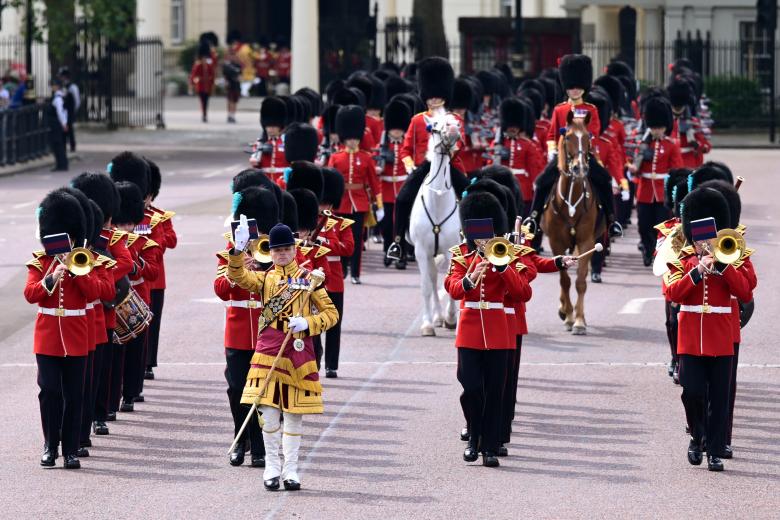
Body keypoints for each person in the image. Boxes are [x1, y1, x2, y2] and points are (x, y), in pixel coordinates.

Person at [227, 222, 339, 491]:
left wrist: (308, 324)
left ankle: (290, 470)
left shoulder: (310, 279)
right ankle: (271, 467)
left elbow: (332, 314)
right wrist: (238, 249)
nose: (282, 254)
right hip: (268, 348)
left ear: (294, 249)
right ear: (272, 252)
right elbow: (239, 277)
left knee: (293, 414)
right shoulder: (265, 279)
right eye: (277, 250)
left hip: (297, 349)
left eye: (287, 249)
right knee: (269, 413)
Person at [665, 186, 752, 472]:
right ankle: (696, 437)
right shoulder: (682, 260)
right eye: (701, 239)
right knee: (691, 393)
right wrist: (697, 271)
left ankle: (714, 451)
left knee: (719, 397)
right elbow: (672, 293)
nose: (706, 243)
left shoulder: (732, 258)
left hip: (721, 339)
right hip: (690, 340)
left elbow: (746, 291)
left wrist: (725, 267)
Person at [444, 192, 531, 468]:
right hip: (469, 331)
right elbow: (453, 287)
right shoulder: (461, 255)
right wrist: (471, 275)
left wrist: (503, 266)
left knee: (495, 391)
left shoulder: (506, 253)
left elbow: (522, 292)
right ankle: (473, 437)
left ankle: (489, 447)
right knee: (471, 387)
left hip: (499, 333)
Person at [24, 189, 100, 469]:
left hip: (76, 335)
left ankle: (69, 449)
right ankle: (49, 446)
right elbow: (30, 294)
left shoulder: (84, 261)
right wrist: (51, 277)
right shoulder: (40, 262)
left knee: (74, 394)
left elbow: (95, 292)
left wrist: (73, 268)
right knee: (49, 391)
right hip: (47, 337)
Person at [216, 186, 278, 467]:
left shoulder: (277, 253)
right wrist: (238, 266)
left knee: (263, 390)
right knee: (237, 388)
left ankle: (261, 445)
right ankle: (241, 440)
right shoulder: (231, 252)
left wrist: (269, 270)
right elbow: (219, 289)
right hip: (238, 332)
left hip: (266, 332)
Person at [327, 104, 381, 284]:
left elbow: (374, 183)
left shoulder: (366, 158)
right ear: (344, 138)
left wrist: (379, 205)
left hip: (359, 203)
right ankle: (342, 269)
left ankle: (356, 273)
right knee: (338, 238)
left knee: (357, 240)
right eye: (349, 138)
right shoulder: (336, 157)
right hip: (340, 203)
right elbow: (330, 182)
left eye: (355, 138)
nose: (352, 141)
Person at [631, 97, 683, 266]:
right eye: (653, 127)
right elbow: (634, 170)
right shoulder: (644, 144)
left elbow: (677, 170)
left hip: (662, 193)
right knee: (643, 225)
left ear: (665, 127)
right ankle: (647, 249)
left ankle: (658, 252)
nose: (656, 131)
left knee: (661, 226)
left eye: (659, 127)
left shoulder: (671, 145)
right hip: (645, 192)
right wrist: (637, 163)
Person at [143, 158, 178, 381]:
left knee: (152, 321)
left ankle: (148, 362)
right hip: (133, 278)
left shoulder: (159, 216)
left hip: (155, 279)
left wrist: (155, 240)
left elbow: (172, 240)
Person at [377, 98, 411, 268]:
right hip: (386, 189)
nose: (397, 133)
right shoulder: (382, 143)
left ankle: (402, 255)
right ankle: (387, 251)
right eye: (394, 130)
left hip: (403, 188)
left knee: (401, 224)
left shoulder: (407, 143)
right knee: (387, 225)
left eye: (399, 130)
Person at [249, 97, 290, 184]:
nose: (270, 129)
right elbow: (255, 161)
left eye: (274, 126)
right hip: (265, 183)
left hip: (282, 182)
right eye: (268, 126)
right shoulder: (260, 142)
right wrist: (254, 162)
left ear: (280, 126)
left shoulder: (287, 142)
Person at [189, 40, 216, 123]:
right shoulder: (198, 65)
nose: (204, 59)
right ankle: (204, 114)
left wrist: (212, 84)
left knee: (206, 101)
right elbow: (194, 76)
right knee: (203, 101)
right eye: (203, 58)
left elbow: (212, 75)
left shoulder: (209, 65)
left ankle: (205, 114)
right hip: (200, 86)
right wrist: (193, 84)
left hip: (207, 86)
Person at [58, 67, 80, 152]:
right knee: (64, 129)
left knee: (70, 130)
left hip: (69, 112)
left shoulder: (72, 87)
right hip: (64, 111)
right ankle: (64, 146)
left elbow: (77, 101)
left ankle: (72, 145)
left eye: (62, 76)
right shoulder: (62, 86)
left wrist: (73, 111)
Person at [49, 79, 69, 171]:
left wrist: (64, 123)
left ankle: (61, 164)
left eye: (53, 85)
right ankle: (61, 164)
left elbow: (60, 112)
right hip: (58, 123)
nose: (52, 87)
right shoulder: (61, 96)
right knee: (58, 144)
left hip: (56, 124)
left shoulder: (57, 98)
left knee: (57, 144)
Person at [223, 37, 242, 123]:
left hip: (236, 83)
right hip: (230, 83)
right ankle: (229, 115)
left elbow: (240, 72)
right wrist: (225, 81)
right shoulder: (226, 64)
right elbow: (224, 74)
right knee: (230, 100)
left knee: (235, 100)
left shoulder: (238, 64)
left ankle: (233, 115)